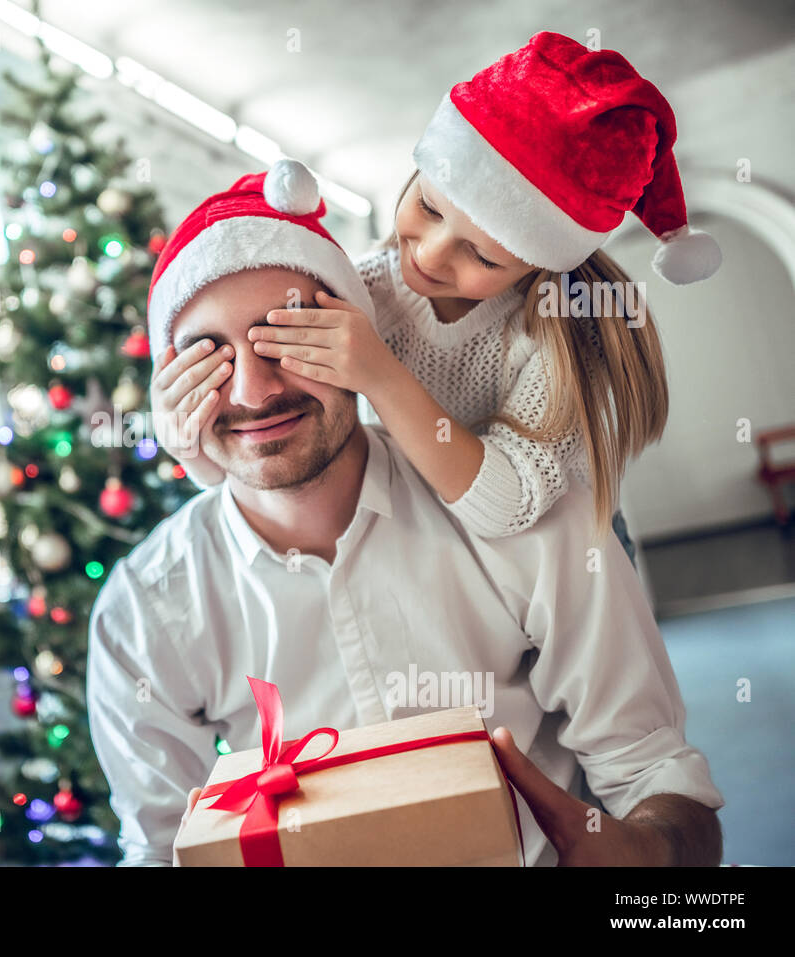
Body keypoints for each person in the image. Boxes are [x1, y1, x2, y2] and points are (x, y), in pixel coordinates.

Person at [86, 135, 724, 867]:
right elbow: (160, 845)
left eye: (290, 335)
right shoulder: (144, 608)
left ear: (358, 330)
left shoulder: (536, 524)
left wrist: (649, 852)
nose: (253, 392)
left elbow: (657, 775)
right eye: (211, 357)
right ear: (172, 380)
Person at [150, 32, 723, 569]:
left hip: (562, 559)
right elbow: (288, 452)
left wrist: (381, 374)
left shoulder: (564, 330)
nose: (429, 254)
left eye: (483, 257)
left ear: (541, 262)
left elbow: (511, 507)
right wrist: (191, 446)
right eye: (428, 208)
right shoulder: (361, 291)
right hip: (436, 550)